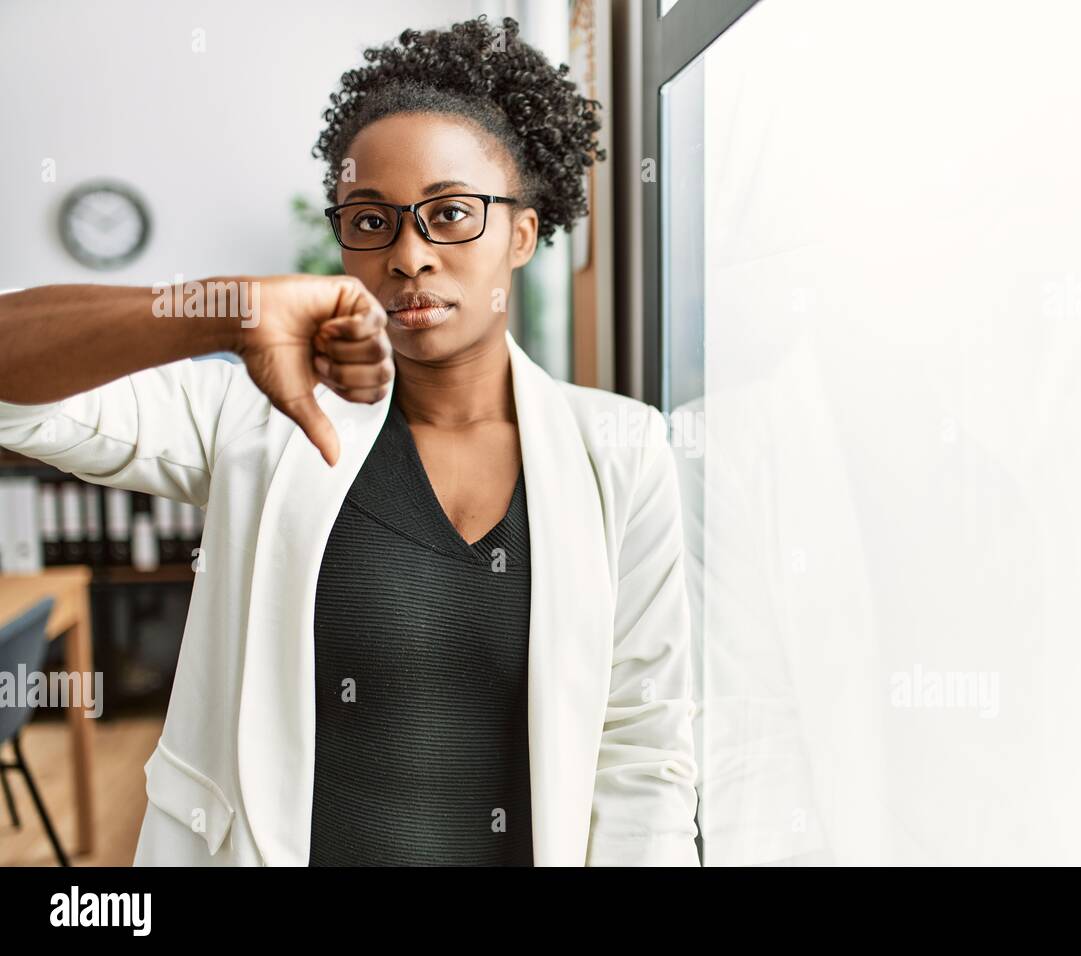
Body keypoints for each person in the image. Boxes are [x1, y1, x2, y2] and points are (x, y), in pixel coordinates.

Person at [0, 15, 699, 866]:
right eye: (370, 221)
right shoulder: (252, 418)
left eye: (450, 214)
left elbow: (642, 747)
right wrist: (227, 306)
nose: (408, 255)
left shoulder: (621, 452)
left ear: (522, 232)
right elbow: (14, 398)